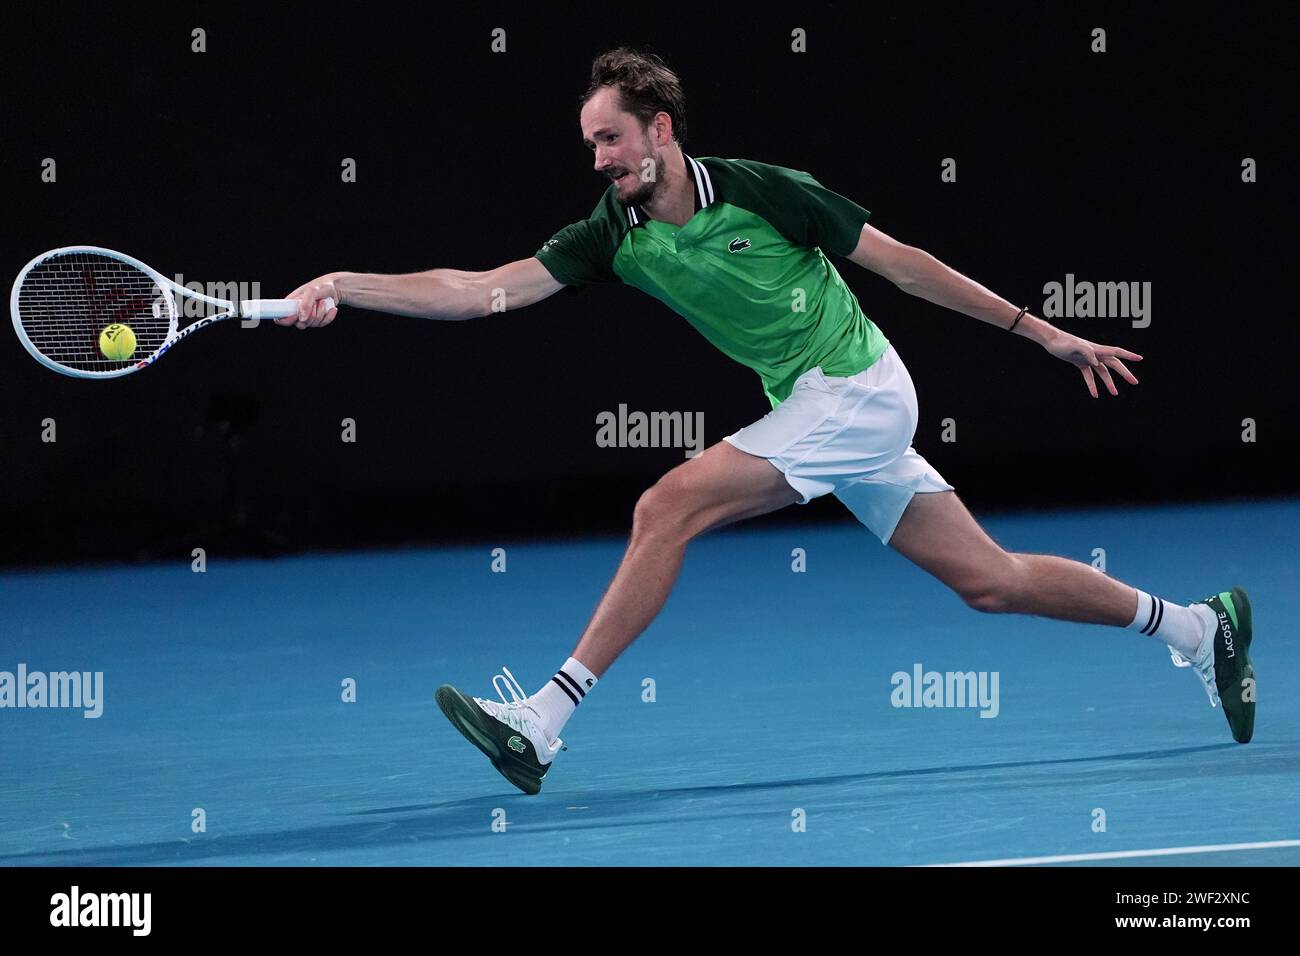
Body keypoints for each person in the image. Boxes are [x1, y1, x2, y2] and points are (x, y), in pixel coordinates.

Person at [283, 48, 1255, 795]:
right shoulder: (609, 236)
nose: (597, 157)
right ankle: (1193, 627)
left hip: (860, 390)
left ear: (658, 130)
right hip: (815, 408)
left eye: (609, 138)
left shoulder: (763, 188)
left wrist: (1040, 331)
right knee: (988, 580)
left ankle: (541, 719)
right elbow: (481, 291)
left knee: (667, 503)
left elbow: (903, 261)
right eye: (588, 144)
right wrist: (344, 283)